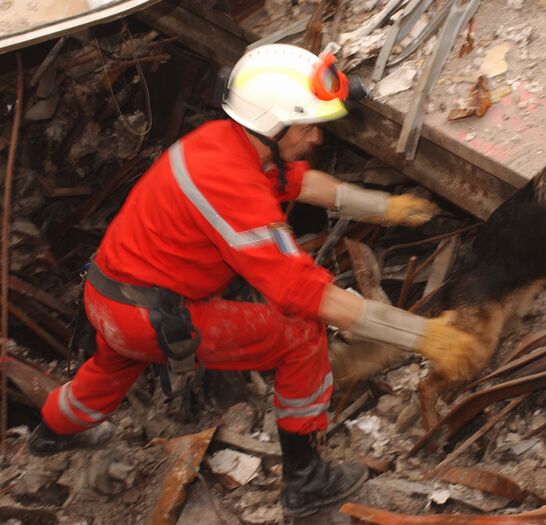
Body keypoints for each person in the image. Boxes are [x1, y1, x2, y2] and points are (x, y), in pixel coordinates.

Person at [27, 43, 478, 517]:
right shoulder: (231, 188)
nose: (317, 138)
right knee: (299, 335)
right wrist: (424, 336)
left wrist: (385, 207)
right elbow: (305, 293)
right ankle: (307, 481)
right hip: (147, 316)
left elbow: (300, 182)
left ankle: (53, 433)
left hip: (107, 297)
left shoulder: (226, 142)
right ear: (272, 124)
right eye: (308, 126)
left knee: (111, 366)